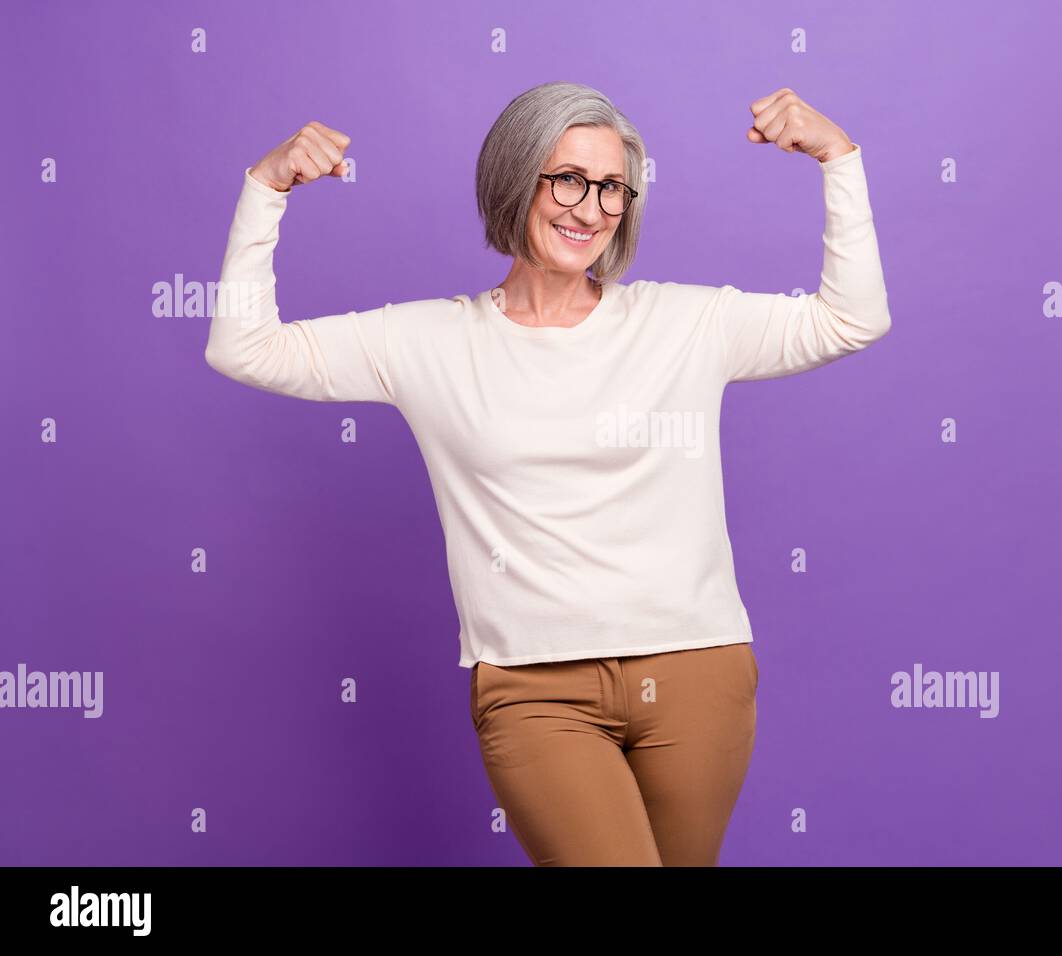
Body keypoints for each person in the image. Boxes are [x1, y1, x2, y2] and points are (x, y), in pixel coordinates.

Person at [204, 81, 891, 866]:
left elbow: (852, 317)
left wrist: (839, 160)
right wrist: (266, 190)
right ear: (514, 177)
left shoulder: (687, 323)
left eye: (611, 188)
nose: (590, 208)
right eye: (567, 178)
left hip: (699, 674)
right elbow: (244, 348)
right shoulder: (427, 342)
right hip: (536, 693)